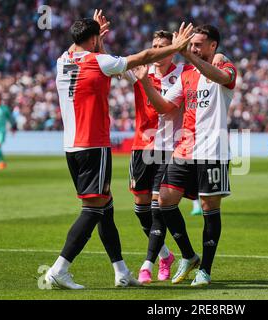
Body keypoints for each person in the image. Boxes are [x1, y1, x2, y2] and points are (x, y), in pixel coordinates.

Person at [45, 12, 194, 289]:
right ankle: (59, 268)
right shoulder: (99, 61)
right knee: (92, 209)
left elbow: (82, 48)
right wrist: (177, 46)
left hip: (71, 146)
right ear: (93, 39)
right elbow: (143, 56)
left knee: (106, 207)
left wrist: (96, 36)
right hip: (93, 144)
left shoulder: (62, 60)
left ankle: (121, 272)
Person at [135, 25, 237, 286]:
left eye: (199, 44)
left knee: (208, 209)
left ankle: (206, 270)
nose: (193, 49)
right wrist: (146, 84)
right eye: (191, 45)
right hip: (185, 149)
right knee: (164, 202)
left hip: (213, 151)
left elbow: (218, 76)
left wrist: (187, 55)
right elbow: (164, 108)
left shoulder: (226, 69)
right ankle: (189, 256)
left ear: (213, 46)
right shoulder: (186, 75)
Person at [124, 30, 184, 284]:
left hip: (170, 148)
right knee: (141, 208)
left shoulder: (182, 74)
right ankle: (165, 255)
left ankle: (147, 265)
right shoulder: (141, 69)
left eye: (163, 46)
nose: (158, 50)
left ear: (172, 49)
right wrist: (99, 41)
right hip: (142, 147)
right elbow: (111, 63)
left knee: (158, 207)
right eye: (155, 45)